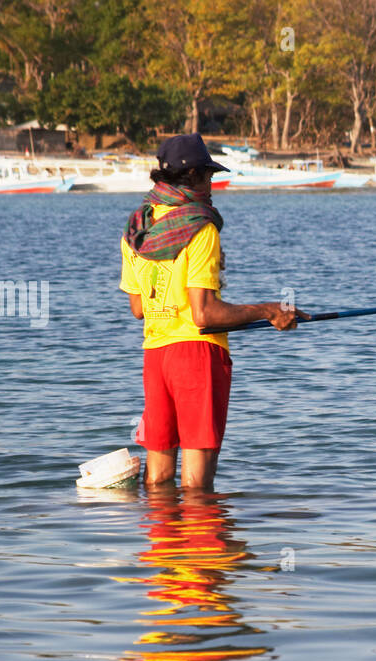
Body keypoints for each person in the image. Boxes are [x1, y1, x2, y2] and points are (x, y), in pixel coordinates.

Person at [120, 133, 304, 489]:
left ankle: (165, 545)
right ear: (192, 177)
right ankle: (205, 541)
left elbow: (138, 308)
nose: (212, 185)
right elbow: (203, 314)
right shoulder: (200, 228)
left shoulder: (137, 227)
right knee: (197, 485)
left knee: (157, 479)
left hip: (156, 357)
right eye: (208, 176)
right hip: (196, 356)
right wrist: (268, 310)